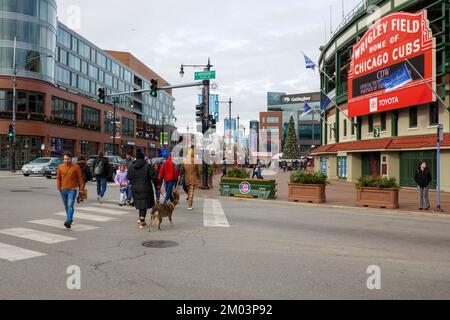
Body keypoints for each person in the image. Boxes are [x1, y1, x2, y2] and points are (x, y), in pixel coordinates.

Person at [127, 151, 158, 229]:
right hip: (146, 187)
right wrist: (156, 184)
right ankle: (142, 221)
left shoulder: (131, 166)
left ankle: (141, 218)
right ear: (143, 158)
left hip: (135, 188)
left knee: (141, 204)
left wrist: (133, 182)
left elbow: (128, 177)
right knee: (144, 205)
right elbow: (154, 176)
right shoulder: (148, 166)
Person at [57, 152, 85, 229]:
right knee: (66, 206)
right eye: (65, 159)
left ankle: (68, 221)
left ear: (71, 159)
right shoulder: (60, 167)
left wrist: (81, 189)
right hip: (63, 189)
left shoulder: (76, 167)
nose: (66, 160)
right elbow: (58, 178)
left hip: (72, 189)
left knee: (70, 205)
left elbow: (80, 179)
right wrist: (59, 187)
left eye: (68, 159)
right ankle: (70, 219)